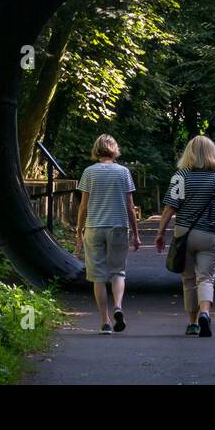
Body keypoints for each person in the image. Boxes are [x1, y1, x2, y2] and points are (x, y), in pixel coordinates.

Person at [154, 134, 215, 337]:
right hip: (210, 235)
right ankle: (205, 313)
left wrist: (160, 233)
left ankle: (192, 323)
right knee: (206, 278)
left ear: (189, 153)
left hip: (185, 234)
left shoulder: (181, 176)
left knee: (188, 279)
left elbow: (170, 208)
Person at [74, 134, 141, 333]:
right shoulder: (123, 172)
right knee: (118, 272)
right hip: (118, 227)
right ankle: (118, 307)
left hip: (94, 228)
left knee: (98, 276)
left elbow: (83, 206)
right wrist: (136, 234)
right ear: (114, 150)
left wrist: (79, 231)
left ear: (96, 150)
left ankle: (104, 321)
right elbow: (130, 207)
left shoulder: (88, 172)